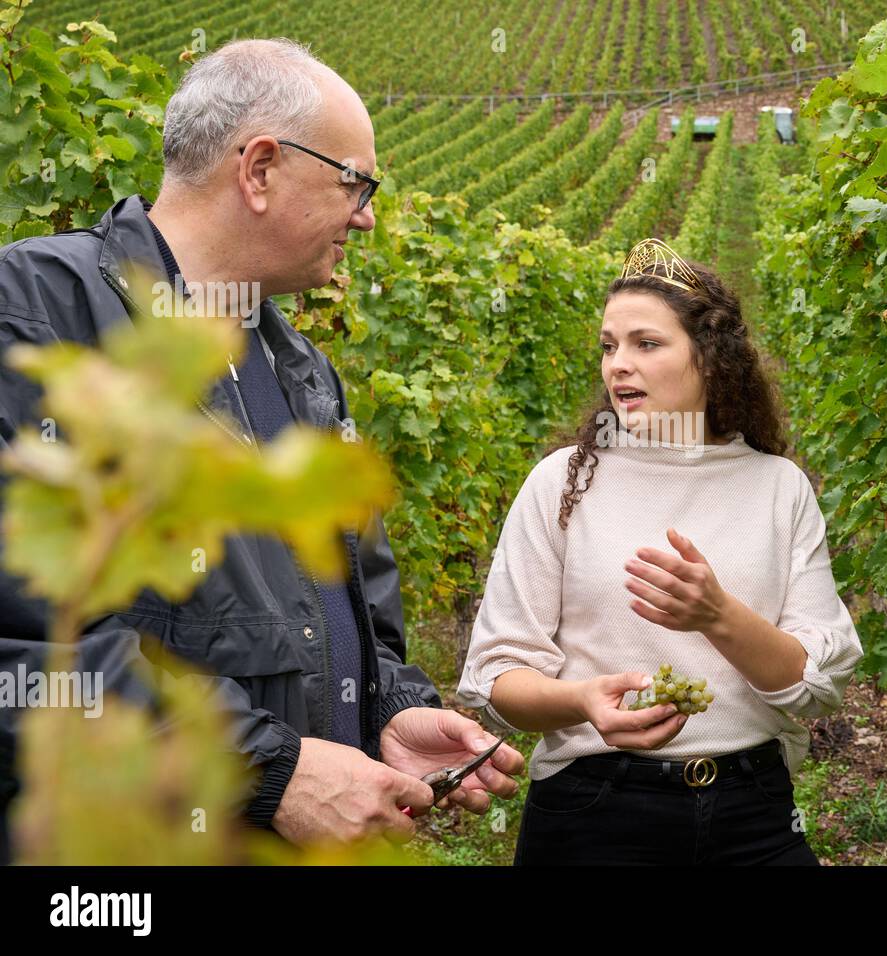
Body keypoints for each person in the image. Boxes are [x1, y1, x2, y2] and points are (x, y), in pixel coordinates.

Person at [0, 38, 522, 864]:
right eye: (357, 182)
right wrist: (274, 773)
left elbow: (342, 611)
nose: (369, 213)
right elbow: (26, 646)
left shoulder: (300, 370)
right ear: (262, 170)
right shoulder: (33, 316)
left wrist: (387, 708)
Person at [457, 238, 864, 865]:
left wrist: (717, 616)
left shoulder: (777, 487)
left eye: (646, 344)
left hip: (754, 814)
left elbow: (815, 687)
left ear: (711, 356)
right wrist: (583, 703)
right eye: (609, 346)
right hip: (594, 813)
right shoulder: (563, 481)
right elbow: (498, 675)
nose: (619, 364)